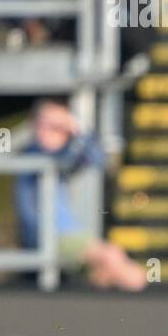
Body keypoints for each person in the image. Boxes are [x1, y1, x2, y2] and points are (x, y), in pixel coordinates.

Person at [13, 99, 149, 292]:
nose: (50, 132)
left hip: (70, 236)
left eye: (58, 128)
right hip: (49, 237)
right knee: (114, 259)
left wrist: (77, 130)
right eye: (46, 125)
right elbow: (54, 153)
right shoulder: (31, 154)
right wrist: (72, 132)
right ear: (33, 126)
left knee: (117, 275)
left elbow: (99, 159)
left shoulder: (59, 156)